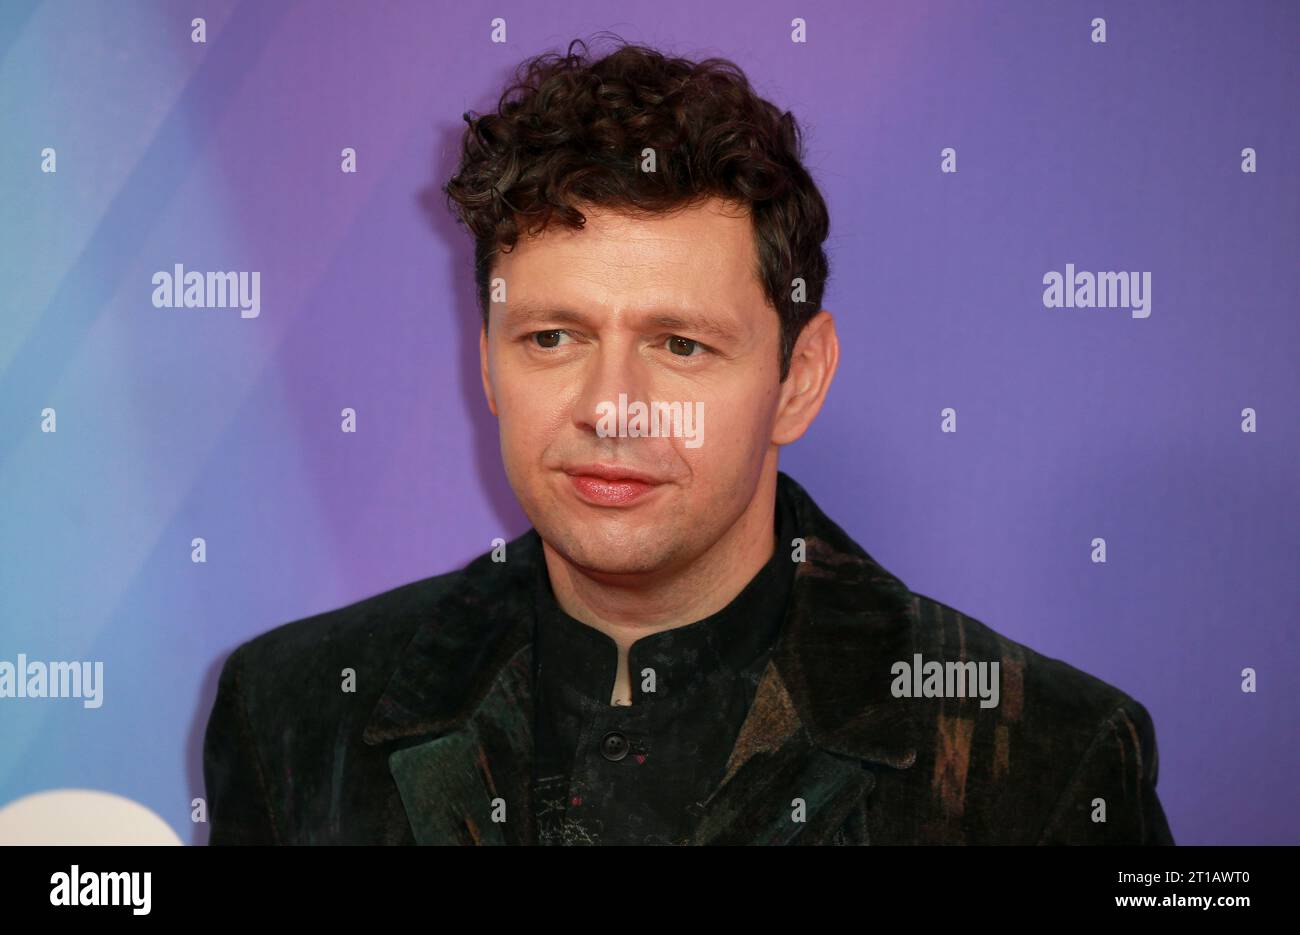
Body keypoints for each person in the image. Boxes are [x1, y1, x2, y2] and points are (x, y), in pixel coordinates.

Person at [203, 37, 1174, 845]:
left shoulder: (1046, 753)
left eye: (680, 344)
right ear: (489, 365)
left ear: (798, 378)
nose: (612, 406)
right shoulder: (294, 710)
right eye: (553, 337)